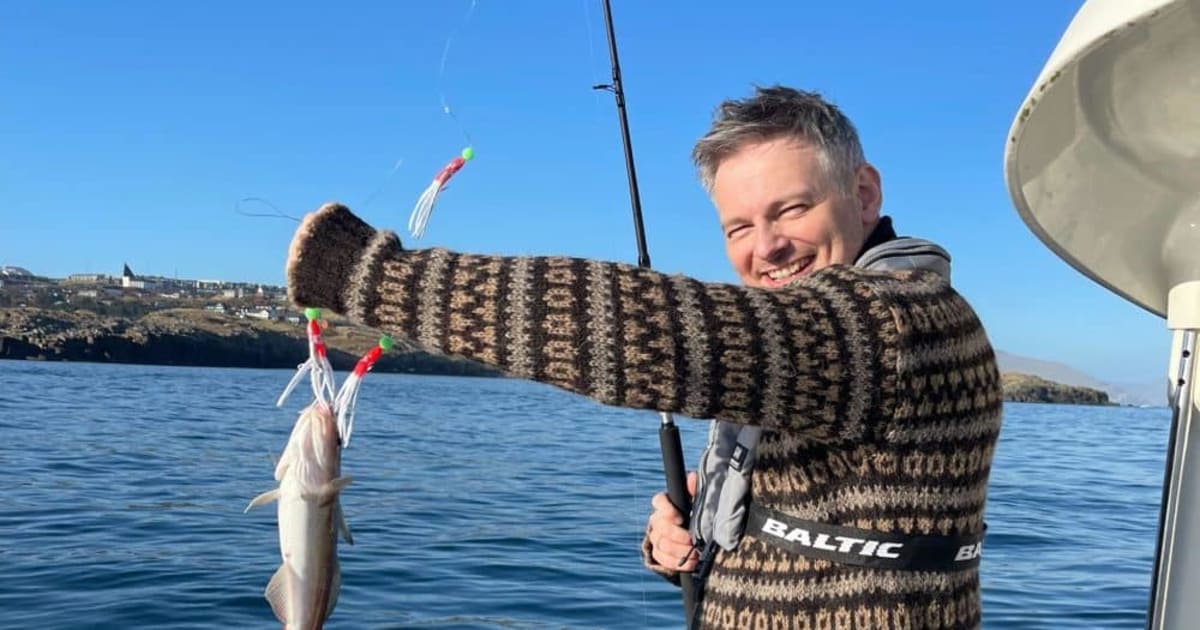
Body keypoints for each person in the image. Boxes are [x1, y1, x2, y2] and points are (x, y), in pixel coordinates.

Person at [284, 85, 1003, 629]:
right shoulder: (818, 348)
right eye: (739, 227)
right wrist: (688, 541)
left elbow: (642, 334)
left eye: (790, 210)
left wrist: (365, 275)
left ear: (864, 193)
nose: (766, 247)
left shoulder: (899, 321)